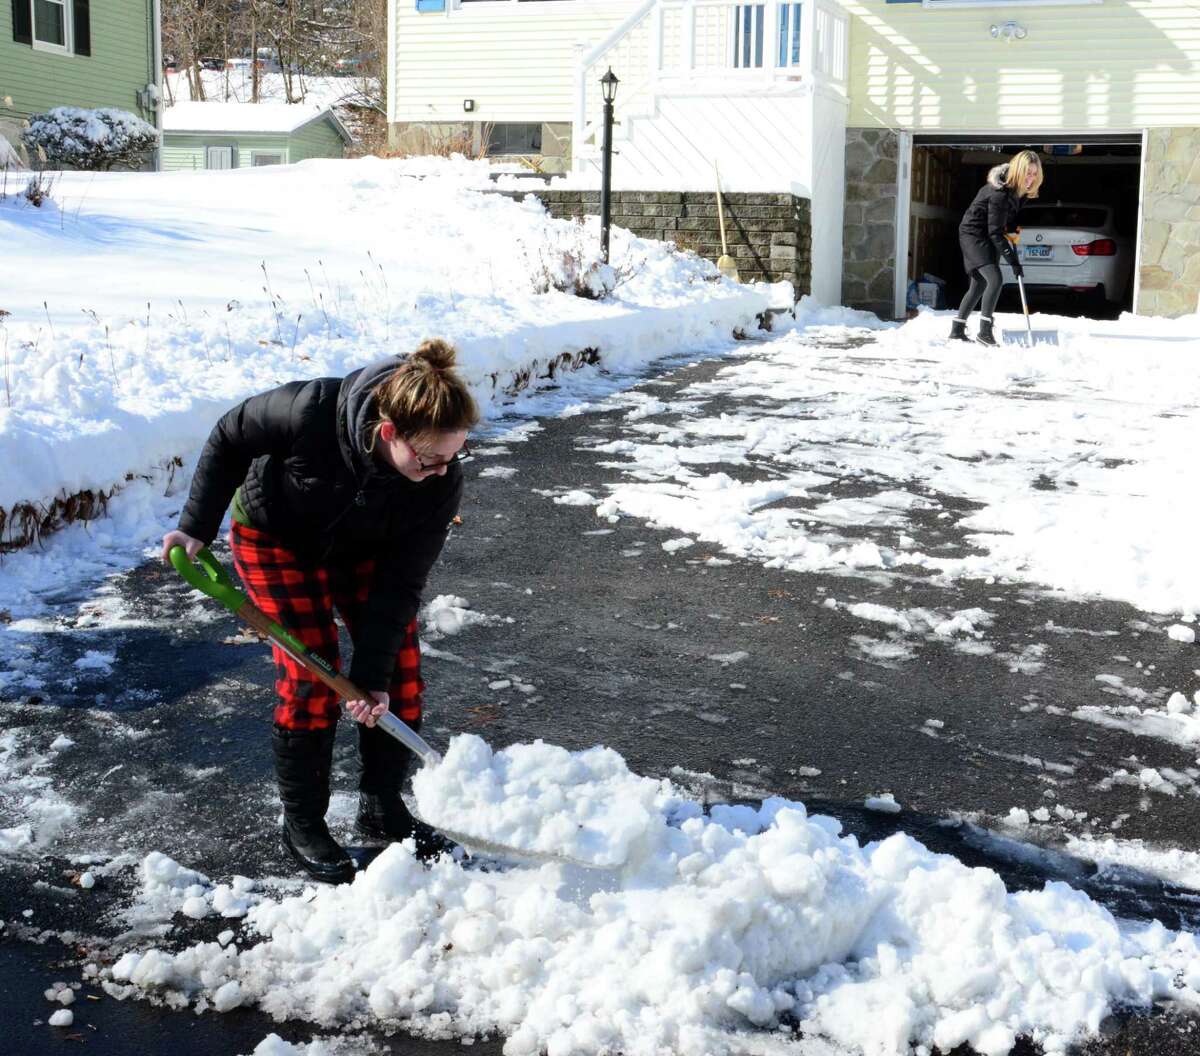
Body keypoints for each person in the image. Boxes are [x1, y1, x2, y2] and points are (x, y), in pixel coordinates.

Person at [161, 339, 479, 884]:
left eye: (453, 456)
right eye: (429, 458)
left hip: (366, 551)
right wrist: (195, 526)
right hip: (275, 538)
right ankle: (304, 821)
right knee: (313, 674)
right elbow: (230, 436)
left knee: (396, 674)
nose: (441, 470)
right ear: (388, 433)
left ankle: (382, 808)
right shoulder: (310, 410)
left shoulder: (439, 483)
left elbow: (402, 585)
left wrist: (372, 680)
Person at [949, 149, 1044, 346]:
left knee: (979, 284)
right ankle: (984, 332)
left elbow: (999, 222)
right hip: (973, 234)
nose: (1031, 178)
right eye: (1028, 172)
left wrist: (1010, 229)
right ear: (1018, 171)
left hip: (988, 233)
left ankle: (957, 331)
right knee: (995, 279)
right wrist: (1013, 262)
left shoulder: (1020, 192)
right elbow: (994, 232)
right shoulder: (999, 193)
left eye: (1035, 174)